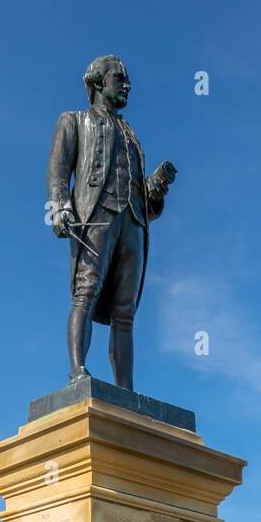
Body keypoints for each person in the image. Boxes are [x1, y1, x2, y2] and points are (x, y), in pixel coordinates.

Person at [47, 55, 177, 390]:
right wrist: (61, 208)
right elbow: (59, 171)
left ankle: (125, 391)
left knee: (125, 312)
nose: (127, 85)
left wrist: (156, 188)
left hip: (133, 221)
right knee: (85, 293)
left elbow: (142, 195)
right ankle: (78, 373)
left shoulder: (131, 135)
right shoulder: (73, 121)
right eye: (119, 78)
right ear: (97, 82)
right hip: (96, 216)